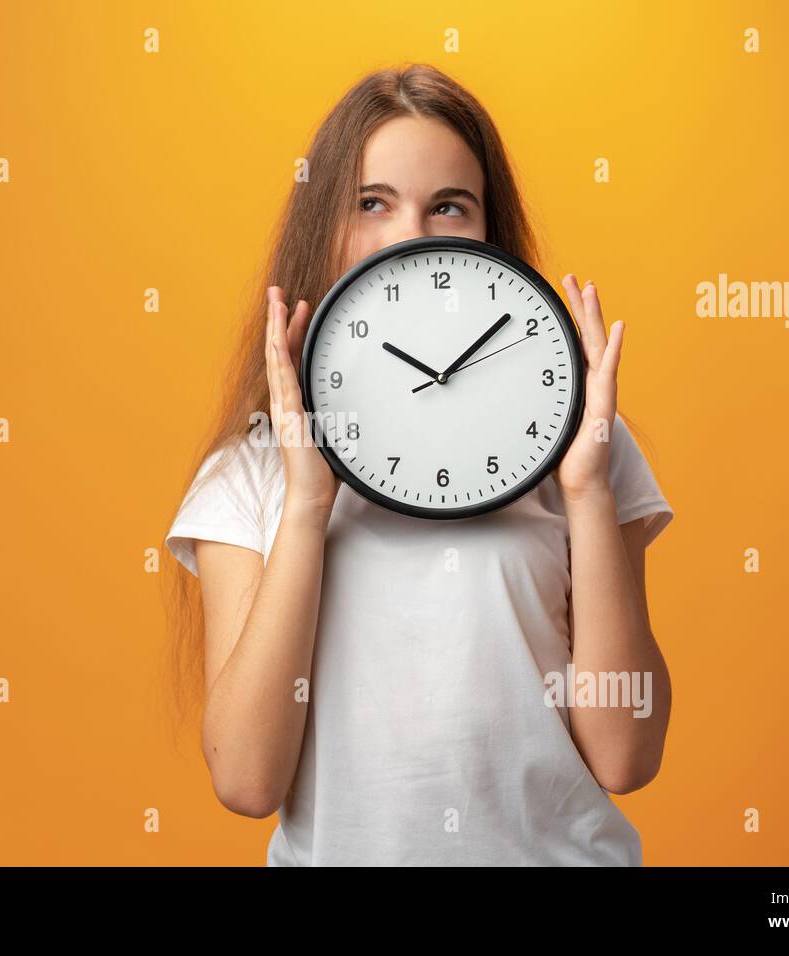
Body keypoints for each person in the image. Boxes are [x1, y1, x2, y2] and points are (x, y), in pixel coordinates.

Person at [161, 63, 675, 866]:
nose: (410, 235)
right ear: (323, 225)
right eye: (372, 203)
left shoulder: (584, 451)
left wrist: (583, 489)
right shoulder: (249, 476)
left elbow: (627, 756)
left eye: (449, 206)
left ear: (486, 237)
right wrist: (305, 505)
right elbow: (247, 780)